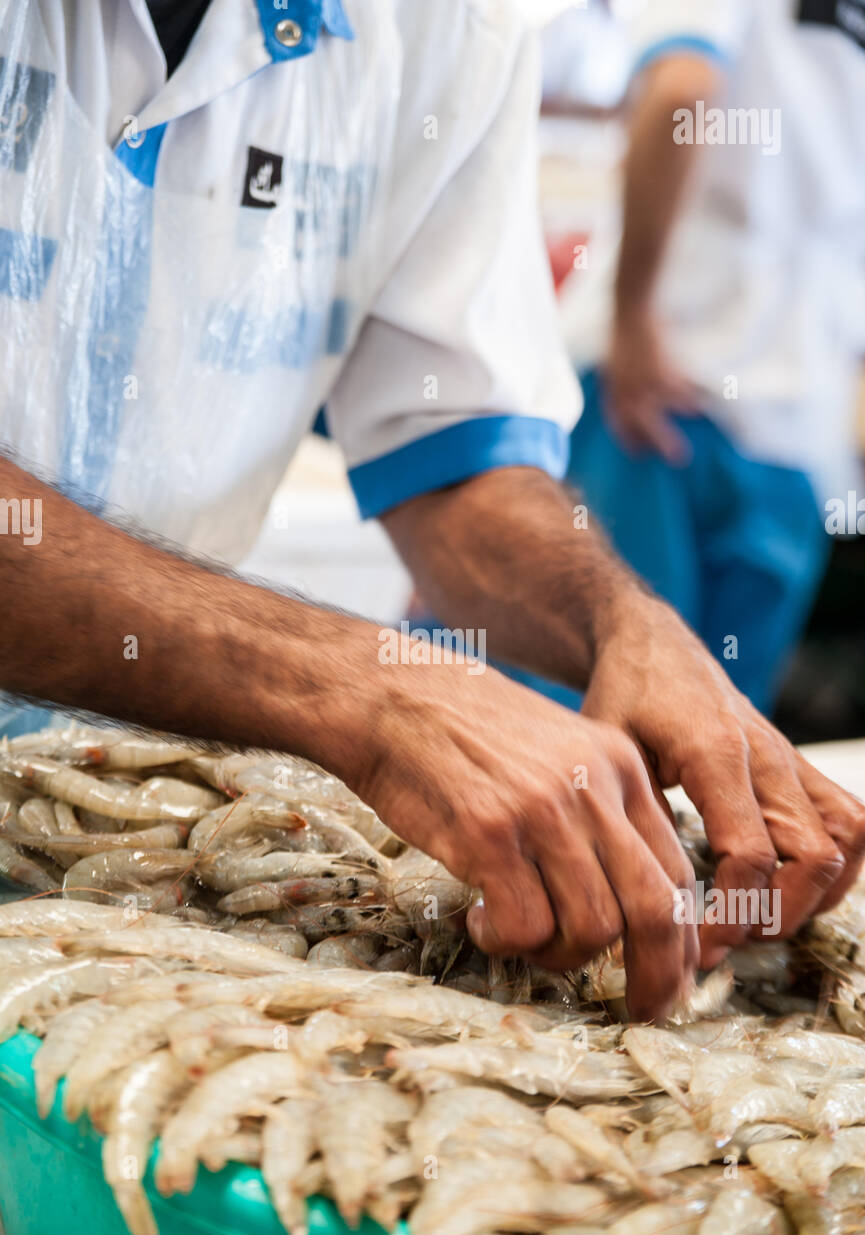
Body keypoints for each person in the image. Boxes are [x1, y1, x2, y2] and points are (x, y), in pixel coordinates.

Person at [0, 0, 862, 1022]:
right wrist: (351, 684)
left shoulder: (449, 29)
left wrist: (621, 623)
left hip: (134, 808)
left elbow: (453, 459)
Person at [546, 0, 865, 715]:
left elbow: (681, 90)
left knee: (581, 713)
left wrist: (633, 316)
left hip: (667, 381)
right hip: (795, 418)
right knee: (719, 736)